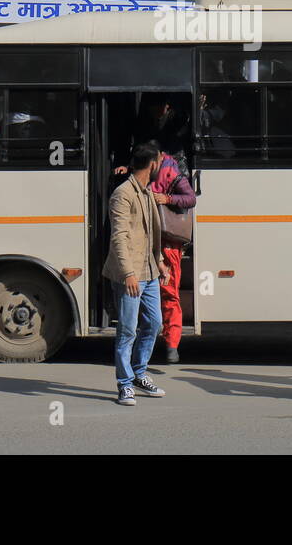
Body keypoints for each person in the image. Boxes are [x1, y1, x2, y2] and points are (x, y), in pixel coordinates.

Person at [102, 142, 170, 406]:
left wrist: (160, 261)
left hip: (149, 271)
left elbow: (152, 233)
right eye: (160, 163)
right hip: (128, 274)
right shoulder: (123, 194)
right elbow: (118, 238)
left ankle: (140, 373)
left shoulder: (146, 192)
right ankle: (125, 383)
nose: (161, 168)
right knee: (128, 330)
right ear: (152, 164)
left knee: (154, 323)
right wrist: (129, 274)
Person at [151, 149, 195, 363]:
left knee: (169, 294)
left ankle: (171, 344)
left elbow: (190, 199)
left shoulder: (171, 173)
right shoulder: (145, 171)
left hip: (167, 244)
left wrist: (166, 198)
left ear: (160, 155)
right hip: (152, 242)